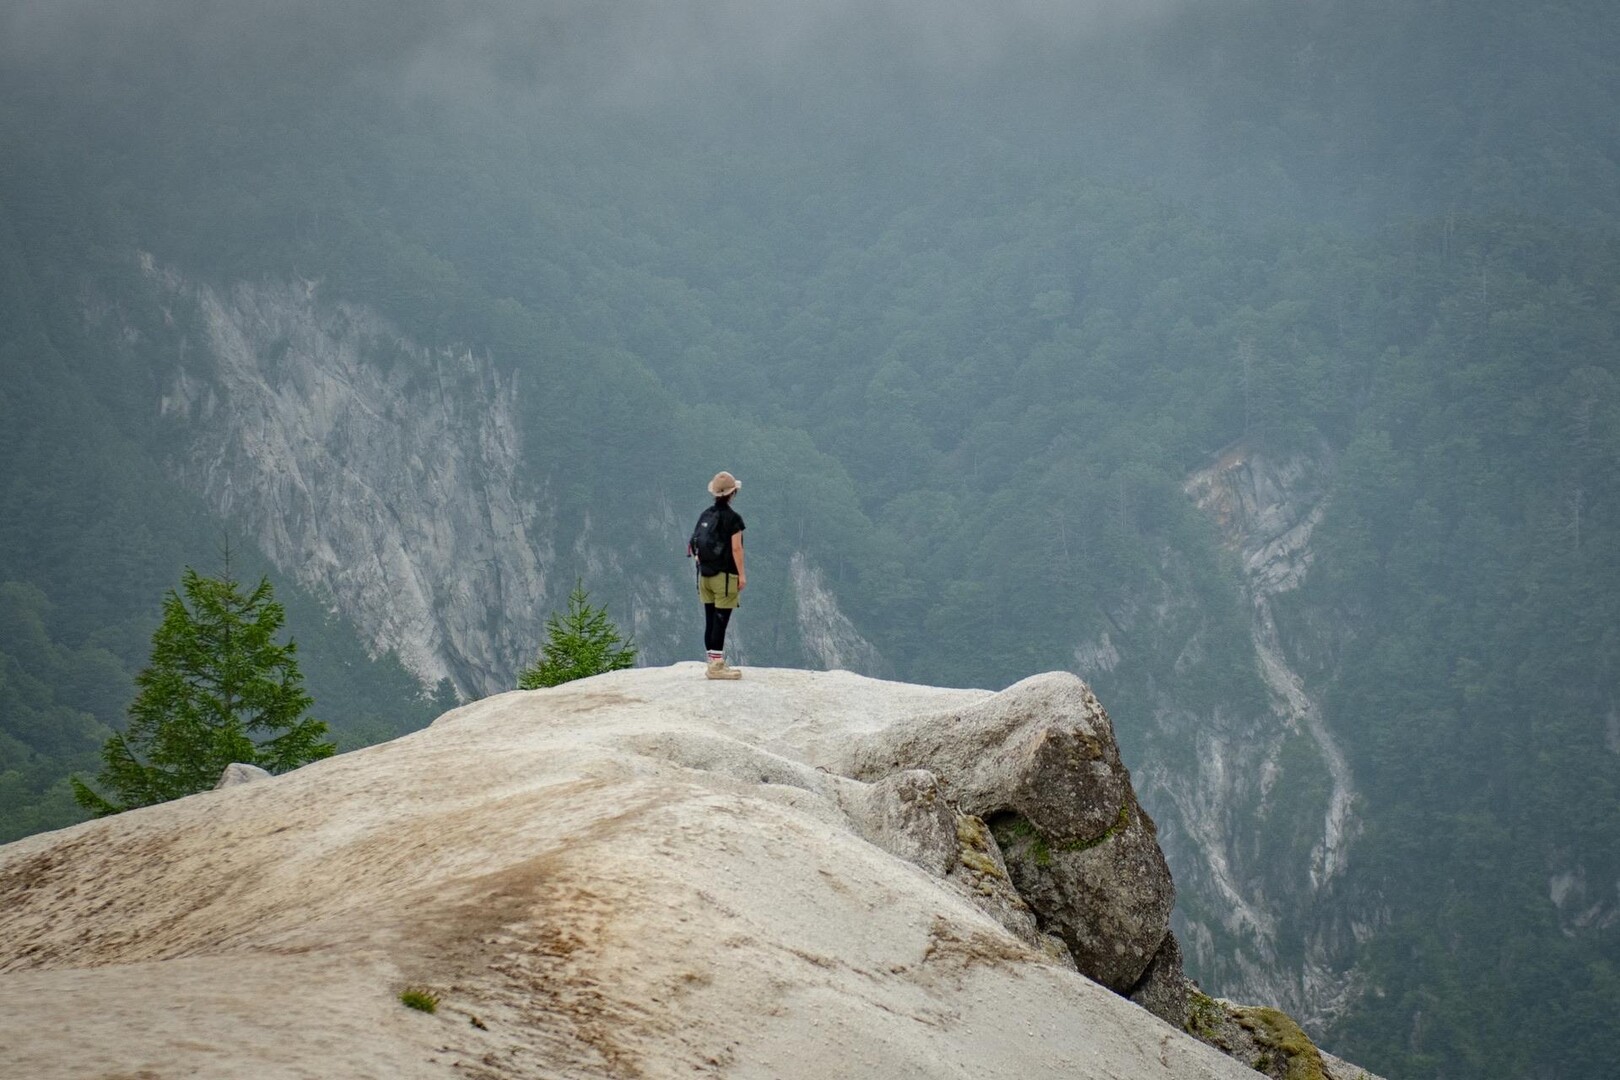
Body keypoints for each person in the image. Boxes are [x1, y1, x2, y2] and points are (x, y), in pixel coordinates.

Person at [690, 471, 746, 680]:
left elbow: (695, 543)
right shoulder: (733, 519)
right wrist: (741, 576)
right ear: (733, 493)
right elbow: (736, 549)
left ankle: (712, 662)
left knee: (710, 619)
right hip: (724, 577)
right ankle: (716, 667)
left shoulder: (706, 514)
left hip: (705, 576)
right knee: (720, 622)